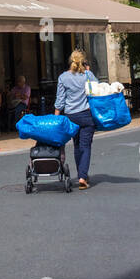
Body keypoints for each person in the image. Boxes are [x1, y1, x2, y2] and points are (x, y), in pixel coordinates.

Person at [54, 49, 98, 190]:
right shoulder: (87, 75)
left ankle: (81, 173)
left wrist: (56, 117)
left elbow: (60, 101)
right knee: (86, 146)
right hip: (86, 115)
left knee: (77, 146)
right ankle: (82, 176)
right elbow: (98, 90)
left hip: (71, 116)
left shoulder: (63, 77)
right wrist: (88, 71)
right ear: (83, 62)